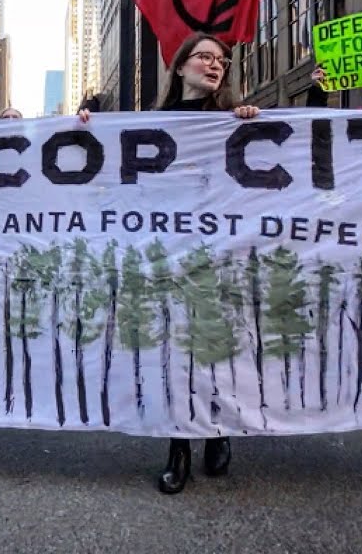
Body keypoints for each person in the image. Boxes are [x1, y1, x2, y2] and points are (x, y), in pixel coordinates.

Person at [77, 32, 258, 495]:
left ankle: (217, 429)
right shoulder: (151, 123)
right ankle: (178, 449)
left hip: (219, 256)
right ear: (180, 67)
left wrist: (251, 124)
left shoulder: (233, 119)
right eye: (204, 56)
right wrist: (85, 131)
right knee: (176, 354)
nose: (214, 65)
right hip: (166, 257)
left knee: (215, 348)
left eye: (221, 60)